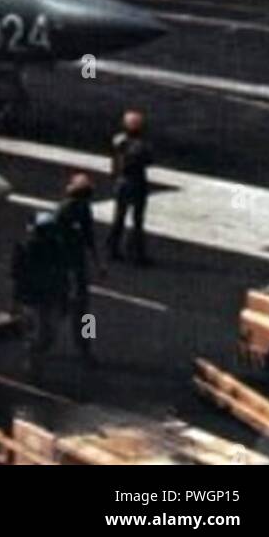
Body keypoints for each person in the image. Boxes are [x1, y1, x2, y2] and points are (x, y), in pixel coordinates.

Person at [11, 212, 70, 379]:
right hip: (33, 298)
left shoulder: (56, 247)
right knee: (37, 333)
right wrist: (16, 301)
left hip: (49, 296)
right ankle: (33, 362)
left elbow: (62, 273)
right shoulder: (24, 247)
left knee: (49, 333)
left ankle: (35, 357)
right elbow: (18, 275)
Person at [56, 172, 101, 365]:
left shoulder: (82, 209)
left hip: (76, 263)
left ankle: (85, 347)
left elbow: (89, 237)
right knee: (71, 308)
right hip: (64, 264)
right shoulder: (65, 211)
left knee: (82, 311)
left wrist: (97, 263)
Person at [107, 109, 153, 265]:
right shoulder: (141, 145)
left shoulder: (118, 141)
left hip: (121, 182)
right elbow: (148, 160)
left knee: (119, 216)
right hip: (137, 182)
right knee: (137, 219)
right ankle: (135, 254)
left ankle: (112, 249)